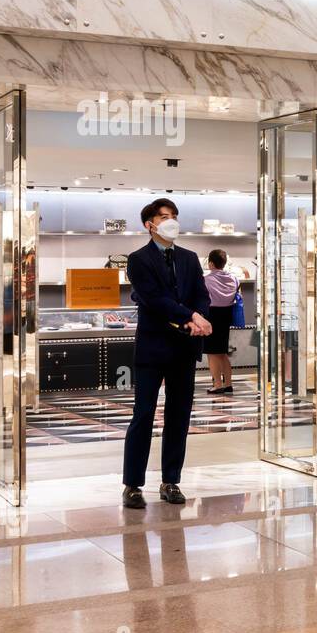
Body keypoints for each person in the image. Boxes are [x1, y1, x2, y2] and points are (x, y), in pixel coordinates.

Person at [122, 198, 212, 509]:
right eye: (164, 216)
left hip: (184, 348)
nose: (170, 220)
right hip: (152, 347)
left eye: (173, 215)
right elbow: (153, 298)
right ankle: (132, 484)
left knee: (179, 416)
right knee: (143, 415)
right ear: (149, 224)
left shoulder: (188, 258)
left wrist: (199, 315)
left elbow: (202, 293)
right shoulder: (138, 259)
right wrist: (191, 317)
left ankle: (171, 480)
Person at [202, 249, 239, 395]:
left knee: (212, 353)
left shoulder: (205, 279)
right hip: (227, 316)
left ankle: (217, 385)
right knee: (222, 351)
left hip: (211, 316)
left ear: (211, 263)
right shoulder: (234, 279)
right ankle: (228, 384)